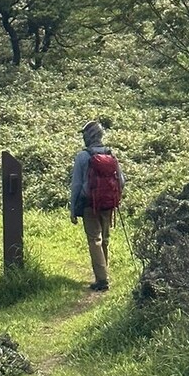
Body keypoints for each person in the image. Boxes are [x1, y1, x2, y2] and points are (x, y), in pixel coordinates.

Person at [70, 118, 123, 292]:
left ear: (87, 137)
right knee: (104, 239)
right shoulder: (111, 155)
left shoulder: (83, 156)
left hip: (89, 204)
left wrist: (73, 209)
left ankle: (102, 279)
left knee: (94, 240)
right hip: (108, 204)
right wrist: (114, 197)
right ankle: (103, 273)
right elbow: (121, 181)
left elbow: (77, 185)